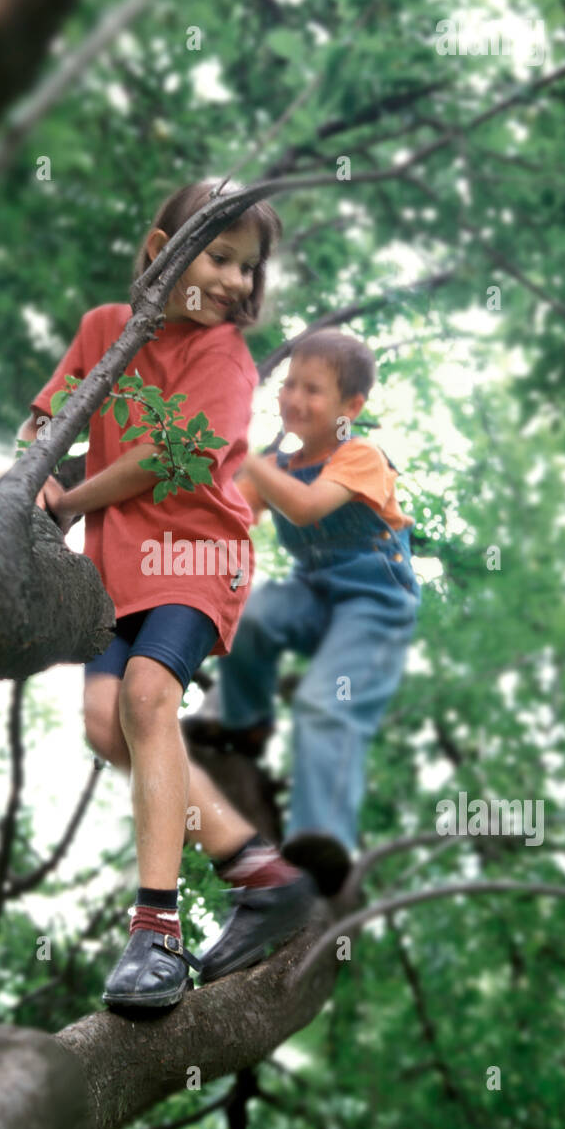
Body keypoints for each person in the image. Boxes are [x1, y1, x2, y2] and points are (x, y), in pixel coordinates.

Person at [0, 179, 319, 1015]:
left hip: (199, 555)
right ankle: (260, 873)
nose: (238, 280)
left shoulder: (224, 359)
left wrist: (66, 500)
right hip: (117, 569)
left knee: (146, 695)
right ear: (162, 251)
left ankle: (154, 933)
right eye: (221, 257)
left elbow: (176, 461)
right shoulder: (104, 332)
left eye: (250, 266)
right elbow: (49, 421)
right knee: (107, 725)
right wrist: (24, 478)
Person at [183, 327, 421, 912]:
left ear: (350, 408)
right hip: (315, 593)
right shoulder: (279, 462)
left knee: (325, 701)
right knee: (254, 617)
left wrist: (251, 462)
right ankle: (244, 724)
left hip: (374, 600)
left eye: (312, 390)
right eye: (289, 384)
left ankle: (324, 836)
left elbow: (308, 505)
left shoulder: (359, 456)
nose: (293, 398)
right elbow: (229, 512)